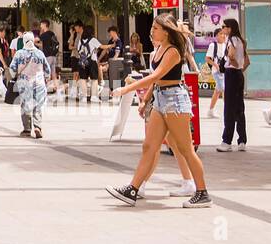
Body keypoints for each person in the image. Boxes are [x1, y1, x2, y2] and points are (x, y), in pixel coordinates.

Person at [107, 13, 212, 208]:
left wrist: (126, 89)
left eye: (156, 28)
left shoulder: (172, 51)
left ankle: (202, 192)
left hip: (175, 100)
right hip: (161, 99)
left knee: (185, 149)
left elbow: (156, 75)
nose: (152, 30)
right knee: (149, 146)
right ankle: (133, 189)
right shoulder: (158, 49)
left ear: (166, 31)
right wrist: (146, 100)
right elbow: (157, 80)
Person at [9, 32, 50, 138]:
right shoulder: (40, 53)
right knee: (38, 105)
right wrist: (46, 77)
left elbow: (12, 68)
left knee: (25, 105)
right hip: (39, 83)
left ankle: (27, 129)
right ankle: (37, 126)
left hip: (25, 83)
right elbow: (47, 69)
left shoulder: (19, 53)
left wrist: (14, 75)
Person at [217, 17, 249, 152]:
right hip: (239, 75)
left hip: (231, 74)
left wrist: (234, 65)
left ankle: (227, 141)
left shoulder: (231, 40)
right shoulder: (242, 41)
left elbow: (231, 56)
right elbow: (247, 61)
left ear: (230, 28)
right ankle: (242, 140)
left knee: (229, 107)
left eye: (224, 26)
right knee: (239, 108)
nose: (223, 29)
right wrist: (240, 69)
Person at [204, 27, 226, 118]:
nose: (223, 35)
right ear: (216, 36)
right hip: (216, 72)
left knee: (217, 91)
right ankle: (228, 111)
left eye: (224, 34)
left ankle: (210, 110)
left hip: (224, 71)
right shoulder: (213, 45)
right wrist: (215, 65)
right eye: (221, 34)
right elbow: (207, 59)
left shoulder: (226, 45)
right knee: (225, 90)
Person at [38, 19, 61, 92]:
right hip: (53, 56)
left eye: (41, 24)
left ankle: (46, 89)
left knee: (45, 72)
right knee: (53, 74)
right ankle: (57, 89)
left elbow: (36, 39)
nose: (40, 26)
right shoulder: (52, 33)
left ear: (45, 25)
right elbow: (43, 45)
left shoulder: (45, 34)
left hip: (48, 56)